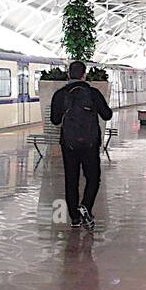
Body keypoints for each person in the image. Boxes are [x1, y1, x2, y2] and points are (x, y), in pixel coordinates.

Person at [50, 60, 112, 230]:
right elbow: (107, 115)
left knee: (71, 180)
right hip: (90, 144)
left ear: (68, 74)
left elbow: (55, 120)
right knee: (93, 178)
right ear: (84, 75)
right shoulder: (92, 93)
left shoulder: (60, 94)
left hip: (68, 144)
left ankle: (75, 218)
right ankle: (85, 206)